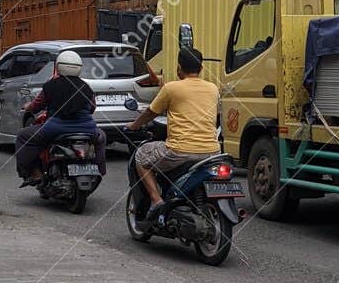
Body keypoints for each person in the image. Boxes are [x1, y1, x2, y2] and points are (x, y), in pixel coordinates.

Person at [126, 46, 219, 214]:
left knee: (141, 156)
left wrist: (134, 125)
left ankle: (156, 200)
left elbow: (150, 112)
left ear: (179, 67)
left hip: (180, 151)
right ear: (201, 67)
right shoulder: (213, 88)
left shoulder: (171, 88)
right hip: (212, 153)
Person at [15, 48, 106, 184]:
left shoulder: (50, 86)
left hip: (54, 129)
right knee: (102, 137)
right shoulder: (86, 87)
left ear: (58, 67)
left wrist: (28, 107)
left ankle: (33, 173)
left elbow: (37, 106)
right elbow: (92, 108)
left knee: (23, 135)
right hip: (88, 129)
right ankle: (99, 169)